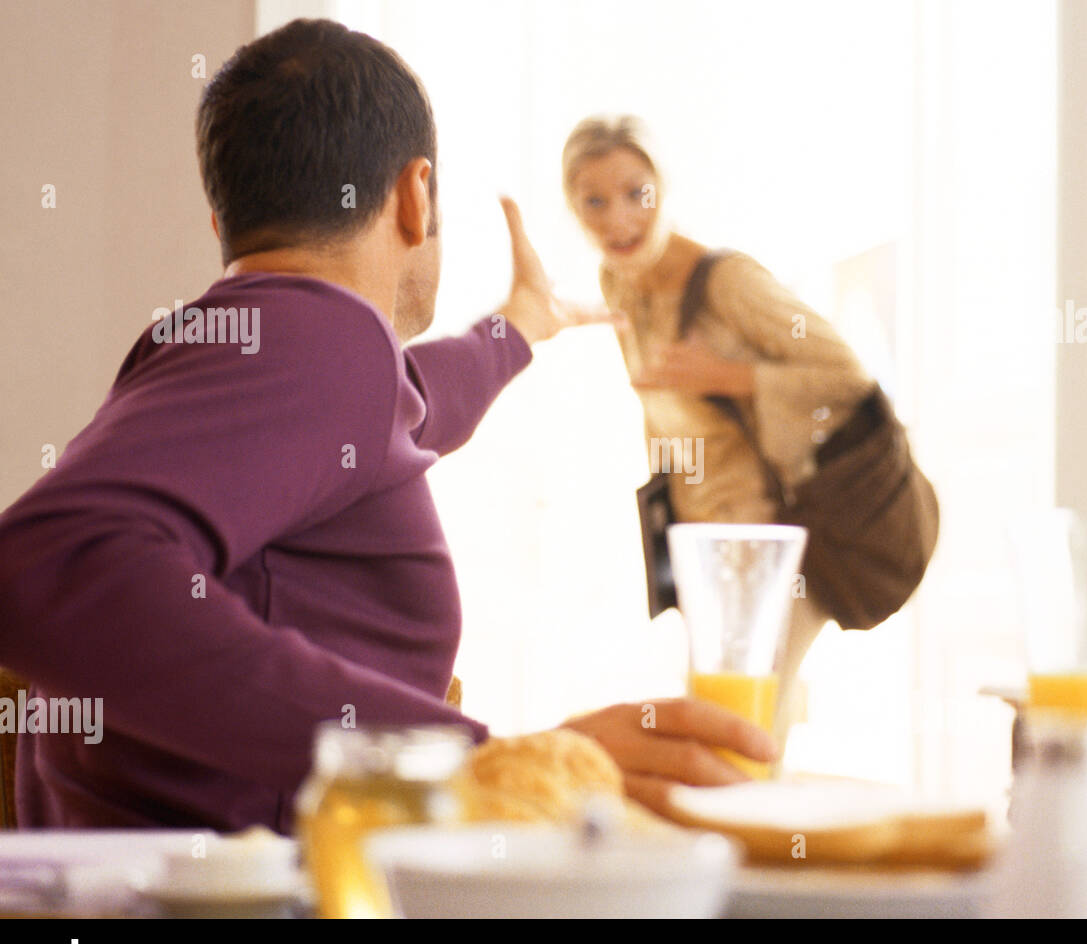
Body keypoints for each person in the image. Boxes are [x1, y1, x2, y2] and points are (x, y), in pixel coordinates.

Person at [0, 19, 776, 832]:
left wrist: (518, 326)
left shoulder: (252, 345)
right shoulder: (317, 340)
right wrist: (473, 762)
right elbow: (49, 563)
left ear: (223, 220)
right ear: (415, 194)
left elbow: (410, 404)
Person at [561, 115, 880, 741]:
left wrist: (728, 376)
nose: (618, 218)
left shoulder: (727, 282)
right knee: (726, 719)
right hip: (700, 537)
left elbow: (848, 376)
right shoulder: (617, 281)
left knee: (735, 729)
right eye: (593, 201)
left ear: (664, 188)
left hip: (770, 530)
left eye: (636, 192)